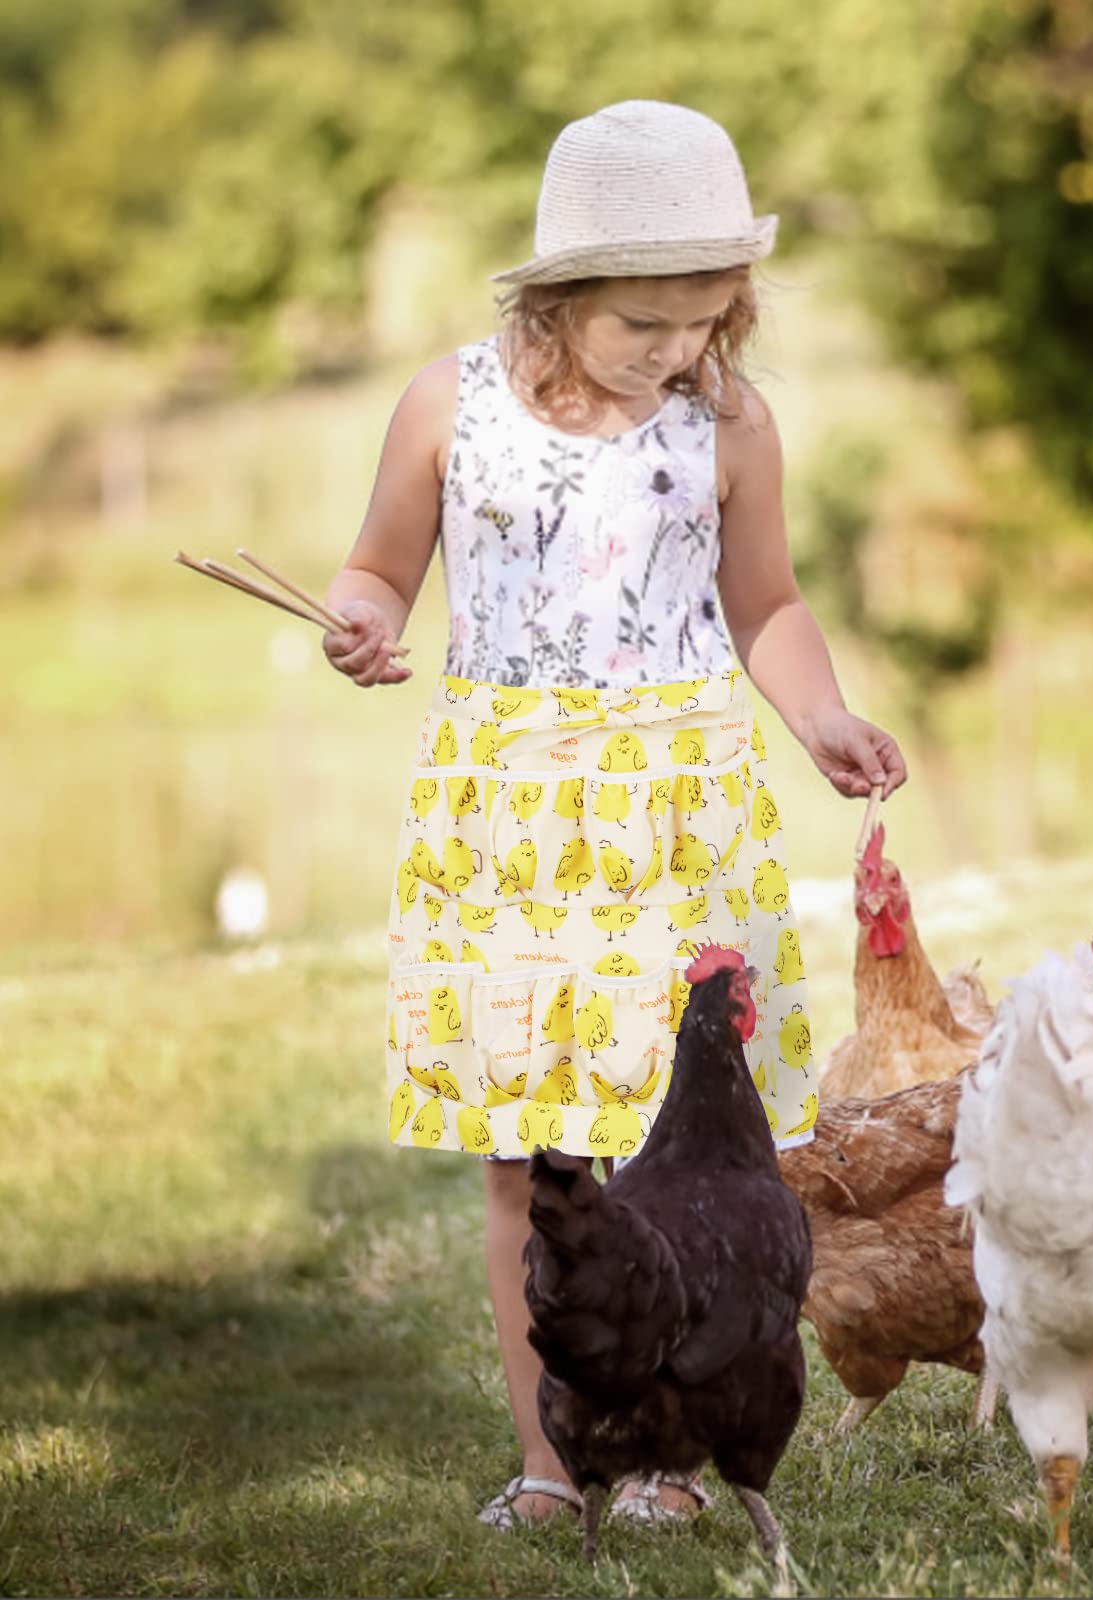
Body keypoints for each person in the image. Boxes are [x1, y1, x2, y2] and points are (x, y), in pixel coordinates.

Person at [319, 100, 908, 1533]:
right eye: (643, 322)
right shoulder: (445, 406)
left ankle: (659, 1463)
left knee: (684, 1153)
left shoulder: (731, 421)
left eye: (703, 320)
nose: (673, 350)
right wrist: (356, 618)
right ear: (561, 292)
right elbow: (379, 571)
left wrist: (819, 713)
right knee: (532, 1154)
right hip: (509, 819)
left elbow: (764, 603)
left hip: (677, 816)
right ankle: (546, 1462)